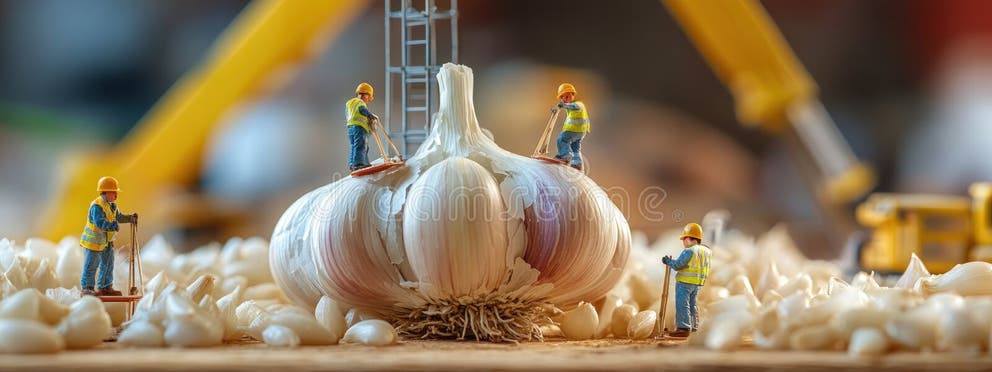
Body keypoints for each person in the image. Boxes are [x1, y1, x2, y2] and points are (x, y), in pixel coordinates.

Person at [79, 176, 137, 296]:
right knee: (91, 265)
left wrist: (130, 218)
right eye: (114, 192)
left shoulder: (112, 206)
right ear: (105, 192)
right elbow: (99, 222)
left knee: (108, 264)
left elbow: (119, 217)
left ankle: (105, 287)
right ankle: (87, 288)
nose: (116, 195)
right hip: (93, 243)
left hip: (106, 242)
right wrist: (112, 225)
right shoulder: (97, 206)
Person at [662, 222, 712, 337]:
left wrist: (668, 261)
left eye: (684, 239)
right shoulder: (706, 251)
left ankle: (683, 328)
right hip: (697, 283)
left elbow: (678, 265)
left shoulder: (689, 251)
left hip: (685, 282)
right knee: (693, 305)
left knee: (682, 304)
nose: (683, 242)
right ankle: (694, 327)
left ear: (689, 238)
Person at [553, 83, 590, 170]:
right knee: (575, 148)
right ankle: (577, 164)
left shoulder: (579, 104)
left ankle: (565, 156)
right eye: (562, 97)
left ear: (572, 95)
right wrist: (557, 109)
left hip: (574, 130)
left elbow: (573, 106)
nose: (564, 99)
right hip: (580, 132)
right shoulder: (571, 106)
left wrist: (564, 105)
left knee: (562, 140)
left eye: (567, 96)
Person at [346, 82, 379, 171]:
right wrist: (370, 115)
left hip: (350, 128)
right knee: (361, 145)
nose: (368, 100)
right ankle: (359, 164)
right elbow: (362, 110)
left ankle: (353, 165)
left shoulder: (350, 103)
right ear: (366, 94)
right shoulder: (360, 102)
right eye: (368, 97)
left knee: (354, 146)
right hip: (359, 127)